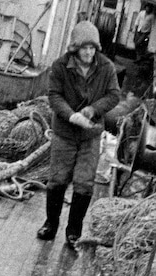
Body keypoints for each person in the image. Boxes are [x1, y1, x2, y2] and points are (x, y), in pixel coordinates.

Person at [39, 21, 121, 248]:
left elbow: (114, 95)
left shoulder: (106, 67)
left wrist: (93, 109)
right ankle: (50, 224)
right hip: (65, 132)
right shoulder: (60, 66)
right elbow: (54, 96)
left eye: (92, 48)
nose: (88, 52)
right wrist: (71, 115)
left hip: (91, 135)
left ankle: (74, 231)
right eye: (84, 48)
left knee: (84, 183)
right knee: (57, 179)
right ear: (75, 48)